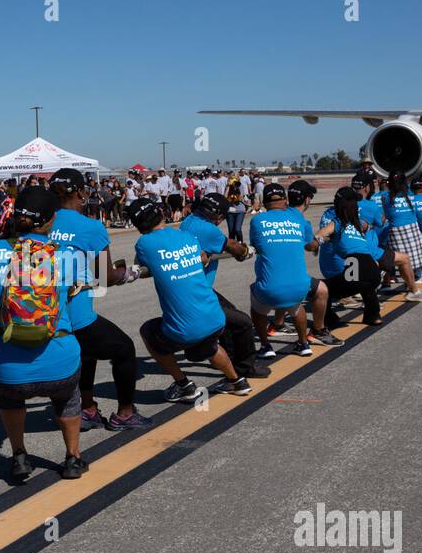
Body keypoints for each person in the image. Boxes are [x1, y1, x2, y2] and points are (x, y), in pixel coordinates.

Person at [0, 187, 86, 481]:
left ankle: (19, 456)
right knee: (68, 397)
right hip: (59, 361)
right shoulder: (65, 253)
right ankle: (72, 459)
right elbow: (100, 276)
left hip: (8, 366)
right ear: (51, 219)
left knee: (10, 396)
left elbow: (6, 247)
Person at [48, 168, 151, 432]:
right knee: (124, 349)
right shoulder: (91, 227)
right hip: (77, 316)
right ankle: (125, 413)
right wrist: (128, 273)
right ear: (82, 192)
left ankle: (88, 408)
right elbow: (105, 277)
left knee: (88, 353)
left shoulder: (45, 223)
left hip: (45, 314)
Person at [131, 197, 249, 400]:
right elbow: (203, 255)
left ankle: (183, 384)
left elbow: (138, 263)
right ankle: (237, 381)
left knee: (148, 331)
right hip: (216, 318)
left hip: (186, 328)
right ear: (161, 214)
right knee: (209, 346)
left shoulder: (144, 243)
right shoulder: (186, 236)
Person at [247, 182, 342, 356]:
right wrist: (322, 239)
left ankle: (266, 346)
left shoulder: (257, 221)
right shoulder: (300, 222)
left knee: (256, 293)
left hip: (270, 289)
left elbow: (257, 246)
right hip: (299, 287)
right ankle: (304, 343)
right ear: (284, 201)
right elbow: (311, 246)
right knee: (299, 300)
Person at [180, 192, 266, 379]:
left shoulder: (188, 222)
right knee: (243, 322)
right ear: (219, 216)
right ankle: (245, 367)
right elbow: (234, 248)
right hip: (199, 291)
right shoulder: (209, 230)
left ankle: (230, 359)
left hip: (192, 287)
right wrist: (247, 250)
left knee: (229, 318)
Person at [319, 187, 383, 325]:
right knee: (367, 284)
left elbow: (320, 235)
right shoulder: (358, 224)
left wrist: (316, 242)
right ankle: (374, 315)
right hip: (373, 269)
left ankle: (329, 318)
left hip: (355, 265)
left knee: (323, 287)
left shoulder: (337, 222)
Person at [381, 172, 422, 281]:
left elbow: (388, 214)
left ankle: (393, 278)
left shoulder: (385, 196)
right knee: (415, 255)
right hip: (412, 228)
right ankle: (417, 277)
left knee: (399, 257)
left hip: (395, 230)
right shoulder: (410, 193)